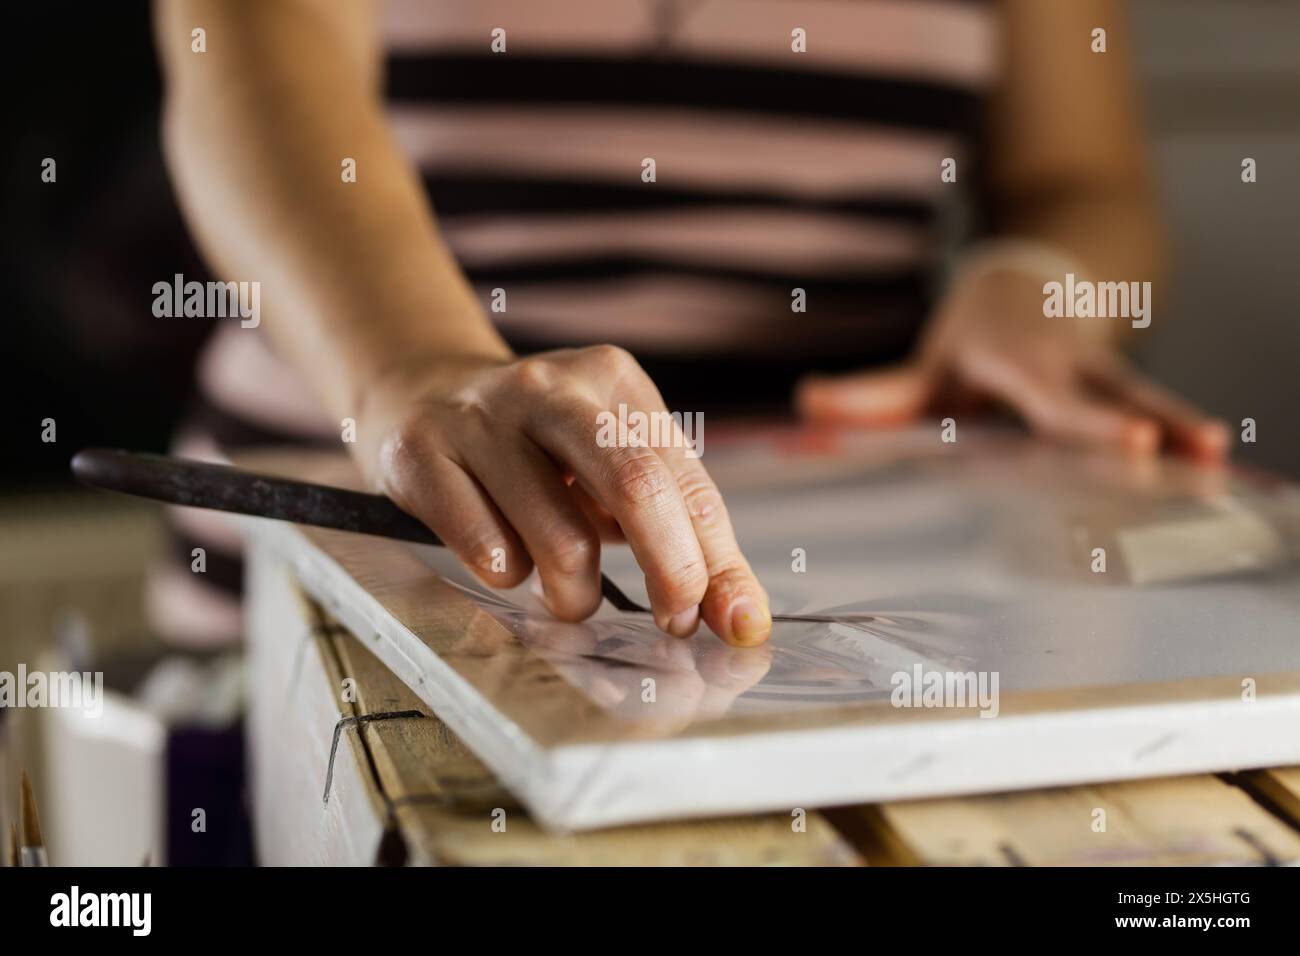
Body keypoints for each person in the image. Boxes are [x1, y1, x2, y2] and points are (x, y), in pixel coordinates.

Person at [152, 0, 1227, 650]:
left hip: (867, 592)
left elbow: (1083, 183)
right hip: (353, 560)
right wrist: (418, 367)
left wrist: (1036, 284)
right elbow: (241, 72)